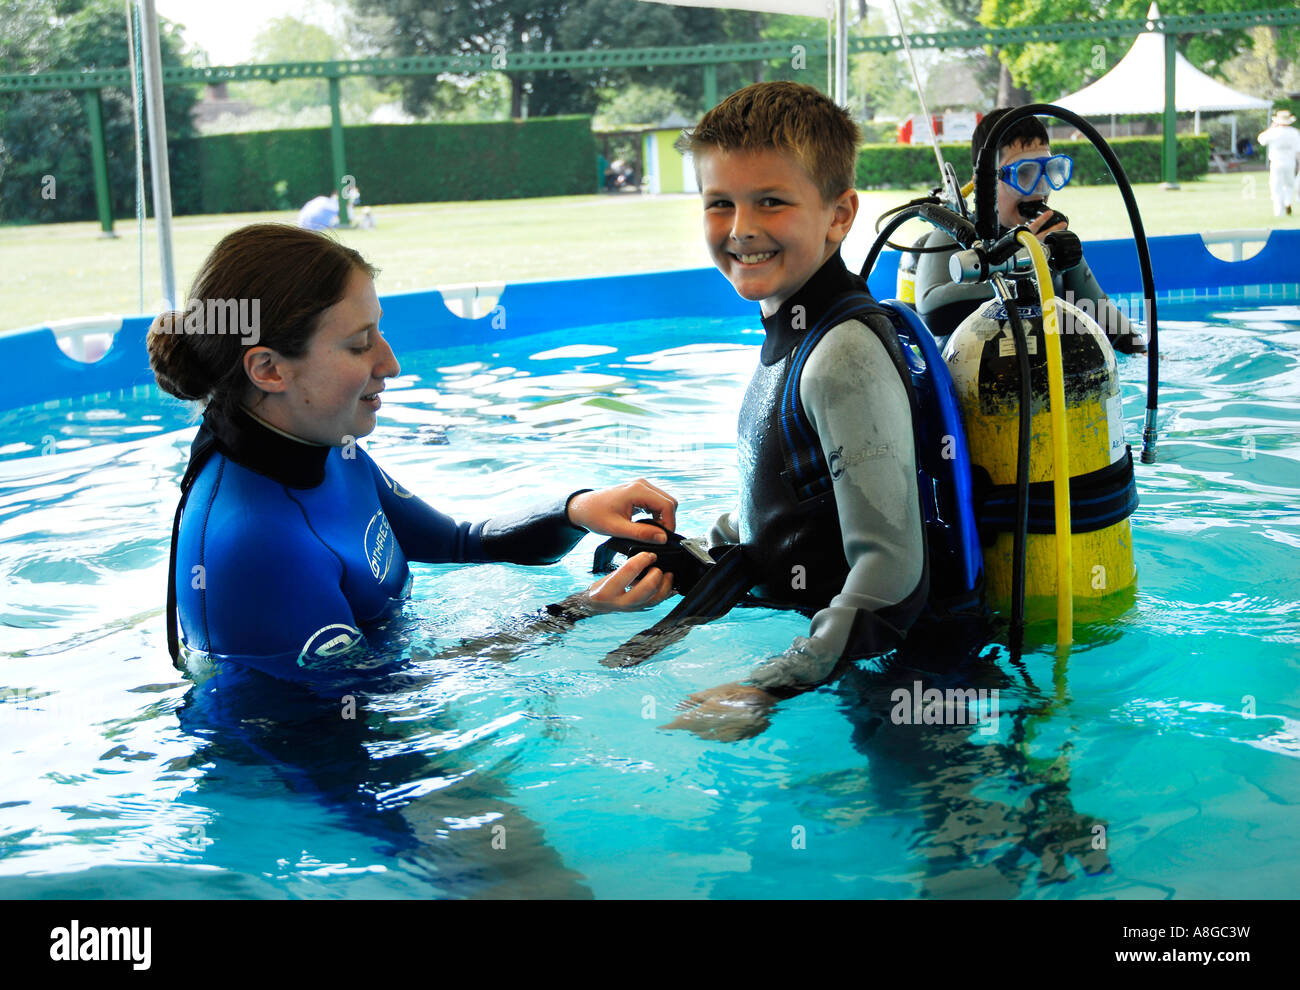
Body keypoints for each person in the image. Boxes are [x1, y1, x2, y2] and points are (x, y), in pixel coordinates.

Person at [148, 223, 676, 683]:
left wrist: (575, 509)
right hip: (306, 778)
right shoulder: (255, 545)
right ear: (268, 369)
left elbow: (458, 542)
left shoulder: (323, 446)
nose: (391, 362)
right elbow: (375, 702)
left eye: (380, 331)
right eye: (360, 343)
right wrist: (576, 613)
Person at [665, 81, 936, 726]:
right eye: (719, 203)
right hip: (854, 666)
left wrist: (767, 688)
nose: (741, 230)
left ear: (840, 215)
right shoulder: (799, 333)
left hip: (911, 677)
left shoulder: (841, 353)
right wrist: (693, 556)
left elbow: (892, 569)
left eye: (771, 202)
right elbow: (795, 504)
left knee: (937, 823)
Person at [914, 107, 1145, 353]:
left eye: (1049, 171)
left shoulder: (1053, 244)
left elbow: (1115, 328)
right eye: (1025, 174)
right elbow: (933, 314)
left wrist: (1149, 356)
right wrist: (1022, 260)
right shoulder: (953, 234)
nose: (1041, 188)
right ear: (986, 182)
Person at [1257, 109, 1300, 217]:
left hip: (1276, 162)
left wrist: (1271, 128)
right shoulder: (1294, 132)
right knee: (1289, 184)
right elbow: (1298, 150)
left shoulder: (1273, 132)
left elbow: (1261, 139)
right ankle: (1288, 202)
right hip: (1290, 162)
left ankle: (1279, 210)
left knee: (1276, 186)